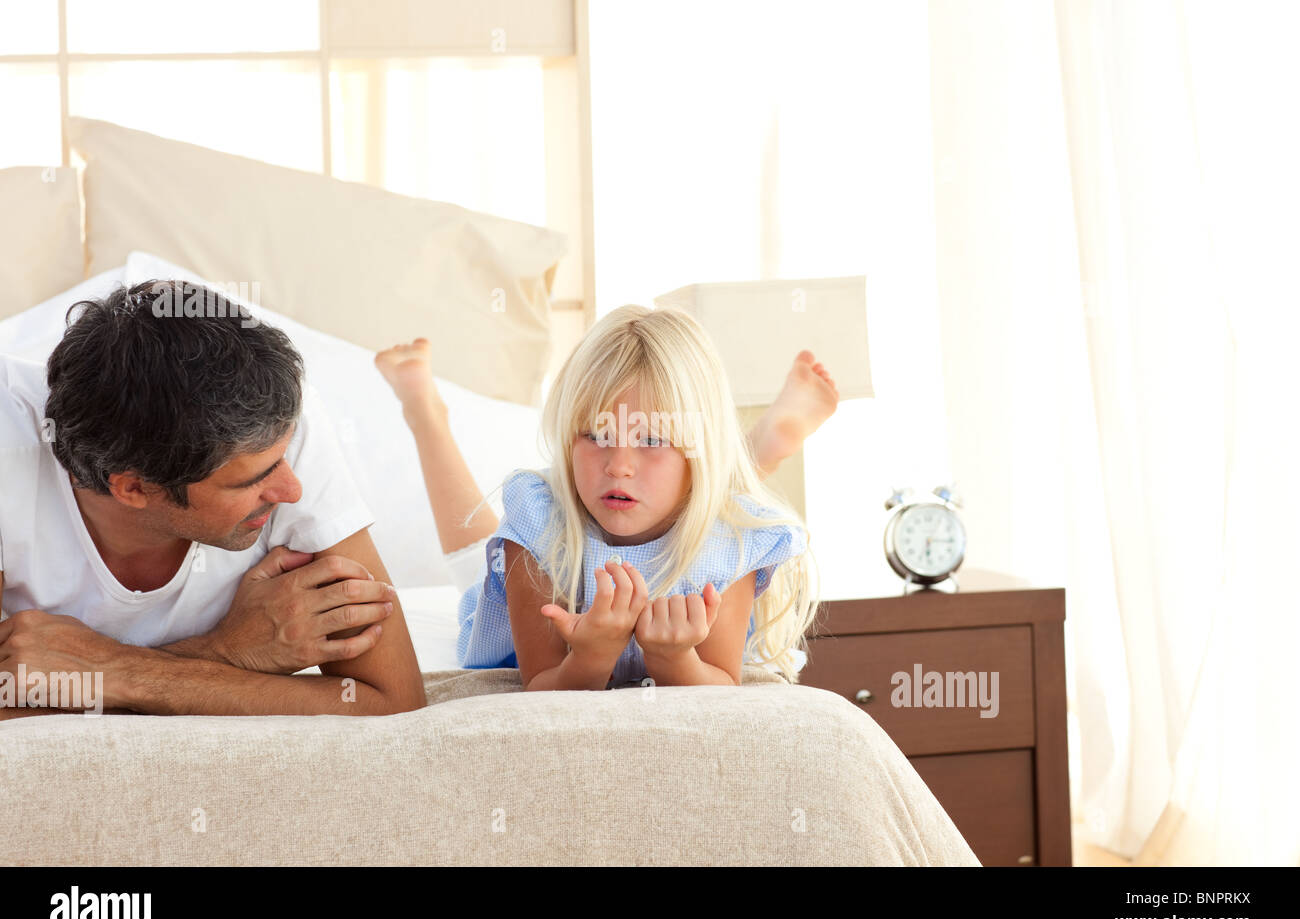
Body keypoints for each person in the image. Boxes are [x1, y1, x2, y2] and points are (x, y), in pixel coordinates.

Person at [0, 281, 426, 719]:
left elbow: (390, 704)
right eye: (250, 482)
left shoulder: (273, 424)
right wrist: (224, 651)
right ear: (133, 487)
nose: (292, 490)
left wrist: (119, 672)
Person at [374, 305, 839, 690]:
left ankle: (761, 448)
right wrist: (592, 656)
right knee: (474, 550)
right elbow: (541, 684)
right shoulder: (538, 522)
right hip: (560, 544)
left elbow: (720, 682)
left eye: (652, 440)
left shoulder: (731, 544)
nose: (617, 465)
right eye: (596, 434)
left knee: (708, 503)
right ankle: (424, 410)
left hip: (700, 505)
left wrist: (673, 658)